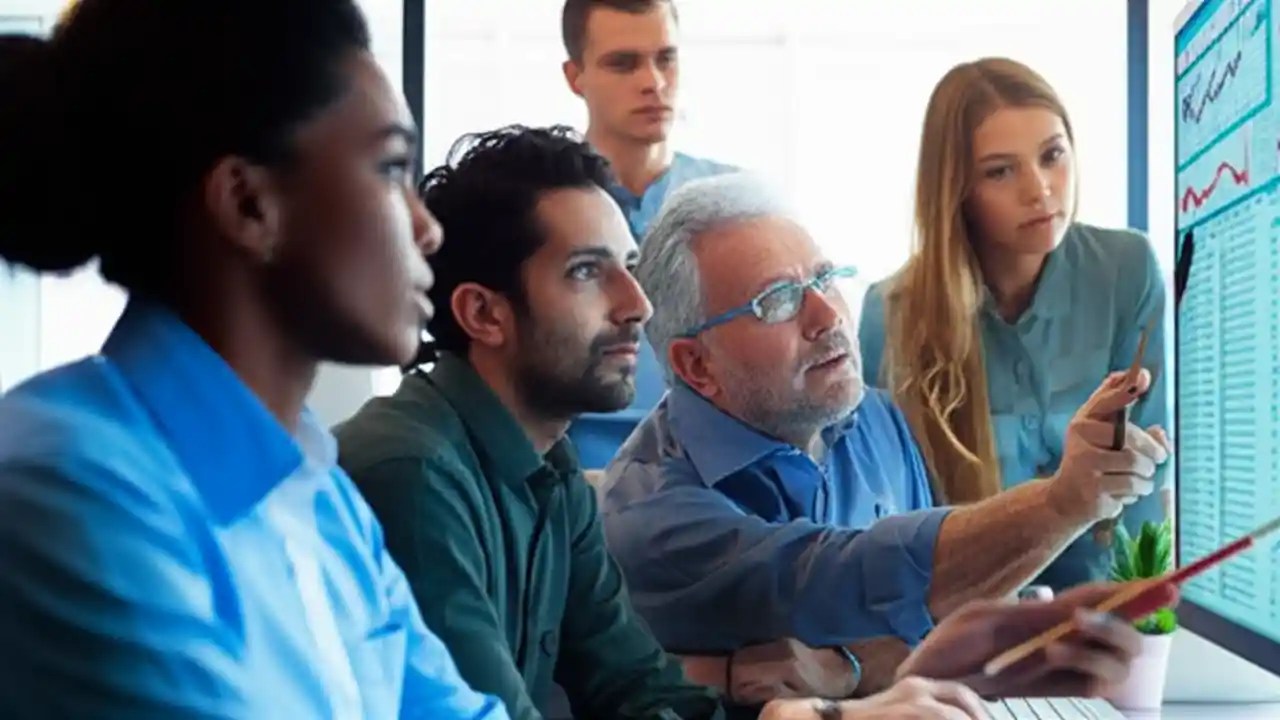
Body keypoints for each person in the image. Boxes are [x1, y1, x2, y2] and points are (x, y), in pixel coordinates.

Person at [0, 2, 504, 717]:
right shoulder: (70, 484)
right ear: (248, 203)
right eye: (391, 167)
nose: (427, 228)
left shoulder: (320, 495)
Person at [599, 173, 1170, 695]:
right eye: (778, 300)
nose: (827, 316)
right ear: (697, 365)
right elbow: (843, 577)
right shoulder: (651, 515)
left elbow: (927, 622)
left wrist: (848, 664)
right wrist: (1063, 500)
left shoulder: (869, 416)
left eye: (824, 278)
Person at [333, 124, 726, 720]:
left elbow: (639, 687)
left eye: (629, 265)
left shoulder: (550, 463)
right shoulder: (412, 474)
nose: (637, 304)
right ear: (484, 314)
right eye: (587, 272)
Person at [857, 57, 1171, 591]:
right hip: (969, 620)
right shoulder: (893, 313)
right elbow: (885, 520)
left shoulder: (1127, 268)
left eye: (1052, 156)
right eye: (1001, 171)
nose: (1040, 189)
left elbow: (1152, 471)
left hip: (1111, 608)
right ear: (957, 190)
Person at [559, 0, 737, 469]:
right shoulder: (543, 207)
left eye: (666, 58)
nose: (653, 83)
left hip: (710, 475)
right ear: (575, 77)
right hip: (570, 471)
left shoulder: (737, 206)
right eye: (623, 63)